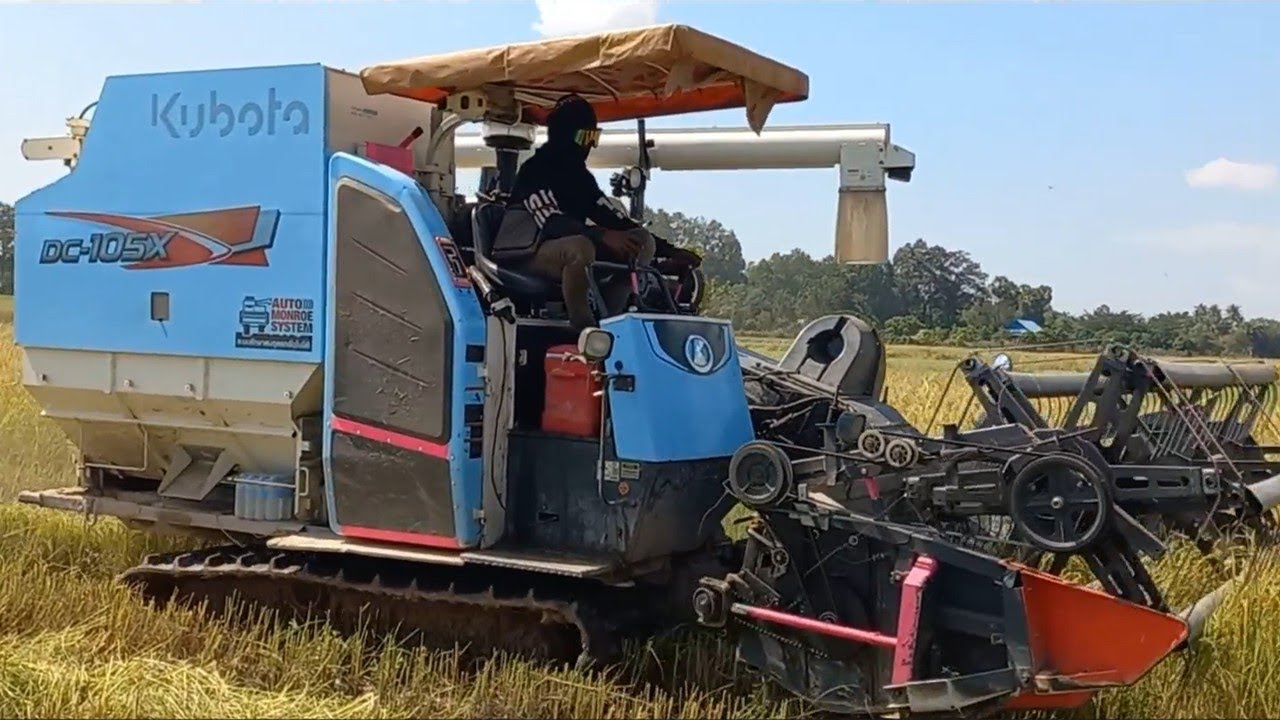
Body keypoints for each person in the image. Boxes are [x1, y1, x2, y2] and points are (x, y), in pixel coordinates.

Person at [490, 94, 701, 329]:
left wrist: (669, 252)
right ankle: (585, 332)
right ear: (565, 135)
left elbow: (614, 217)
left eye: (594, 137)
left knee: (641, 240)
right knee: (580, 248)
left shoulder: (580, 178)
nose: (590, 144)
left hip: (565, 248)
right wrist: (602, 235)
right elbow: (551, 222)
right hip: (524, 255)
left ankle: (611, 320)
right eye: (585, 136)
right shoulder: (535, 171)